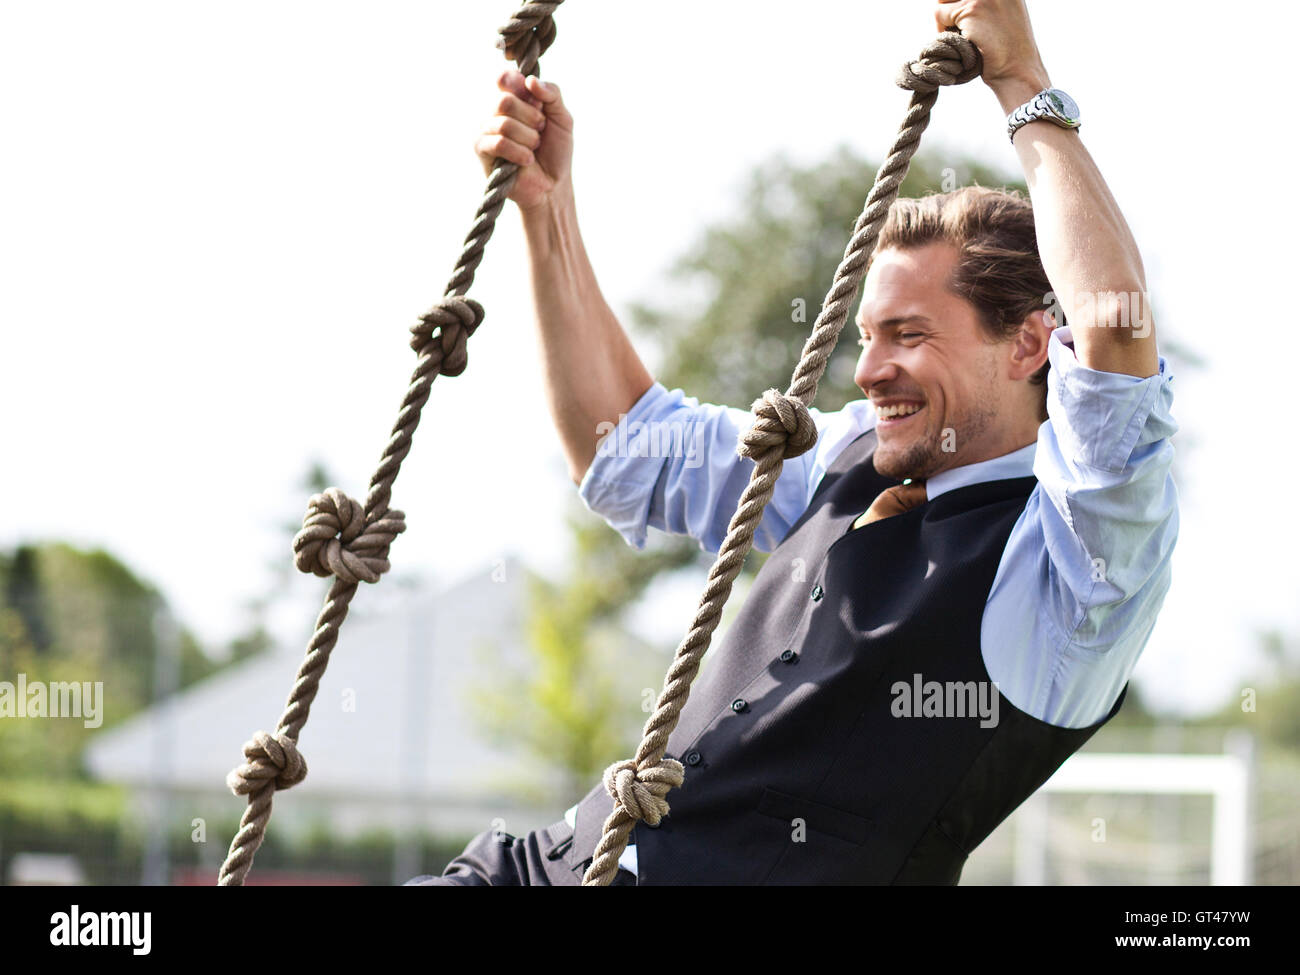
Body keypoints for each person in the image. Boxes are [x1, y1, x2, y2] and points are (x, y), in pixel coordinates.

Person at [408, 0, 1177, 885]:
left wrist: (1022, 81)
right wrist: (548, 217)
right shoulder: (847, 455)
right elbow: (621, 449)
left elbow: (1116, 329)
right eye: (866, 336)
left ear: (1031, 344)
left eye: (909, 336)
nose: (867, 370)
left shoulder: (1077, 573)